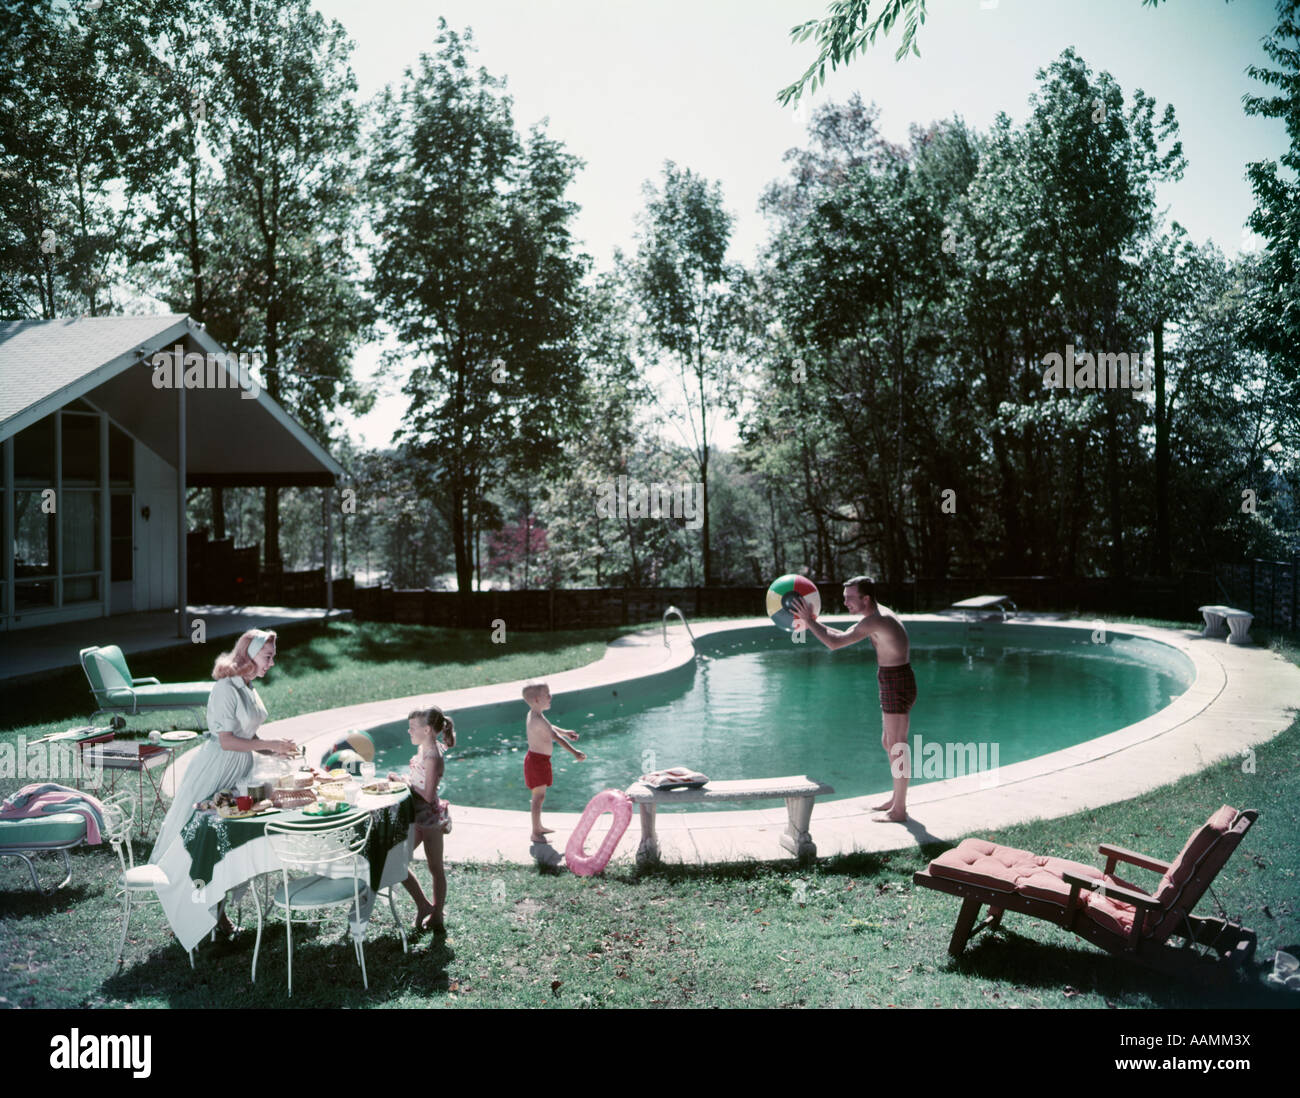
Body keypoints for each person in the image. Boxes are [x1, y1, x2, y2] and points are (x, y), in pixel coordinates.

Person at [149, 628, 298, 930]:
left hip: (240, 768)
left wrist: (274, 751)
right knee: (206, 834)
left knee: (228, 835)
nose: (271, 663)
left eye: (272, 657)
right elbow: (227, 740)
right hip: (218, 768)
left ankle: (218, 916)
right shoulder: (225, 689)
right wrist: (268, 746)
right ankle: (205, 915)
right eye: (268, 657)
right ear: (249, 655)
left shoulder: (247, 685)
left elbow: (248, 735)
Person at [791, 576, 916, 823]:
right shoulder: (875, 617)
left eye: (850, 598)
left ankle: (899, 809)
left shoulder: (876, 620)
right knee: (888, 743)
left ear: (865, 598)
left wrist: (809, 621)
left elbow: (834, 643)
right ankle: (896, 799)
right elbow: (845, 634)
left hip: (896, 682)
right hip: (892, 679)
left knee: (897, 745)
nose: (845, 602)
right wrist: (813, 622)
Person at [393, 707, 454, 934]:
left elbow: (428, 795)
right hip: (414, 813)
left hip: (429, 818)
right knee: (396, 861)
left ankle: (437, 914)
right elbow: (417, 779)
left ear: (427, 730)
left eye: (412, 728)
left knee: (435, 867)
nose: (408, 731)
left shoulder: (433, 756)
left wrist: (404, 783)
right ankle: (423, 904)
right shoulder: (423, 748)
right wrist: (403, 780)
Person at [521, 682, 585, 842]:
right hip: (536, 762)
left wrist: (566, 732)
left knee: (540, 797)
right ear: (536, 699)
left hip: (539, 761)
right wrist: (575, 752)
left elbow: (550, 727)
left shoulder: (534, 714)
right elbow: (555, 737)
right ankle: (535, 832)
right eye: (547, 694)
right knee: (538, 798)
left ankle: (538, 827)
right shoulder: (537, 719)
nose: (551, 697)